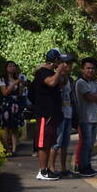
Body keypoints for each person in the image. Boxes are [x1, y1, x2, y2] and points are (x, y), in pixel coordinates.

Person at [31, 49, 68, 181]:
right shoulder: (42, 72)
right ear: (55, 60)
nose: (62, 62)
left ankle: (46, 170)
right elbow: (51, 82)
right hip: (44, 114)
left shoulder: (52, 72)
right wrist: (58, 71)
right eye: (60, 60)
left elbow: (61, 85)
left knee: (48, 143)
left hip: (52, 114)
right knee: (43, 143)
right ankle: (42, 171)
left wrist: (62, 73)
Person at [73, 57, 97, 176]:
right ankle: (82, 168)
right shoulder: (80, 82)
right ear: (82, 69)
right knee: (85, 145)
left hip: (94, 118)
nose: (90, 70)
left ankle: (87, 166)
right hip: (84, 118)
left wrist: (95, 96)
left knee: (90, 145)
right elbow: (90, 97)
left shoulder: (94, 83)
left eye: (92, 68)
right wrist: (95, 96)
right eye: (88, 68)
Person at [0, 62, 26, 156]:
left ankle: (14, 150)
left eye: (14, 66)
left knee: (15, 127)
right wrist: (15, 83)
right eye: (10, 66)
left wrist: (22, 85)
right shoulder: (3, 79)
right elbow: (5, 92)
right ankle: (7, 149)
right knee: (6, 127)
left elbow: (20, 93)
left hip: (16, 104)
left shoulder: (17, 78)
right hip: (7, 104)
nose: (12, 68)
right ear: (6, 68)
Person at [54, 56, 75, 176]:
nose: (69, 66)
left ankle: (63, 168)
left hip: (68, 112)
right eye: (67, 64)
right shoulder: (58, 77)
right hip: (60, 112)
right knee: (57, 143)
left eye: (70, 64)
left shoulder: (70, 79)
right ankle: (51, 168)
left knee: (65, 144)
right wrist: (60, 73)